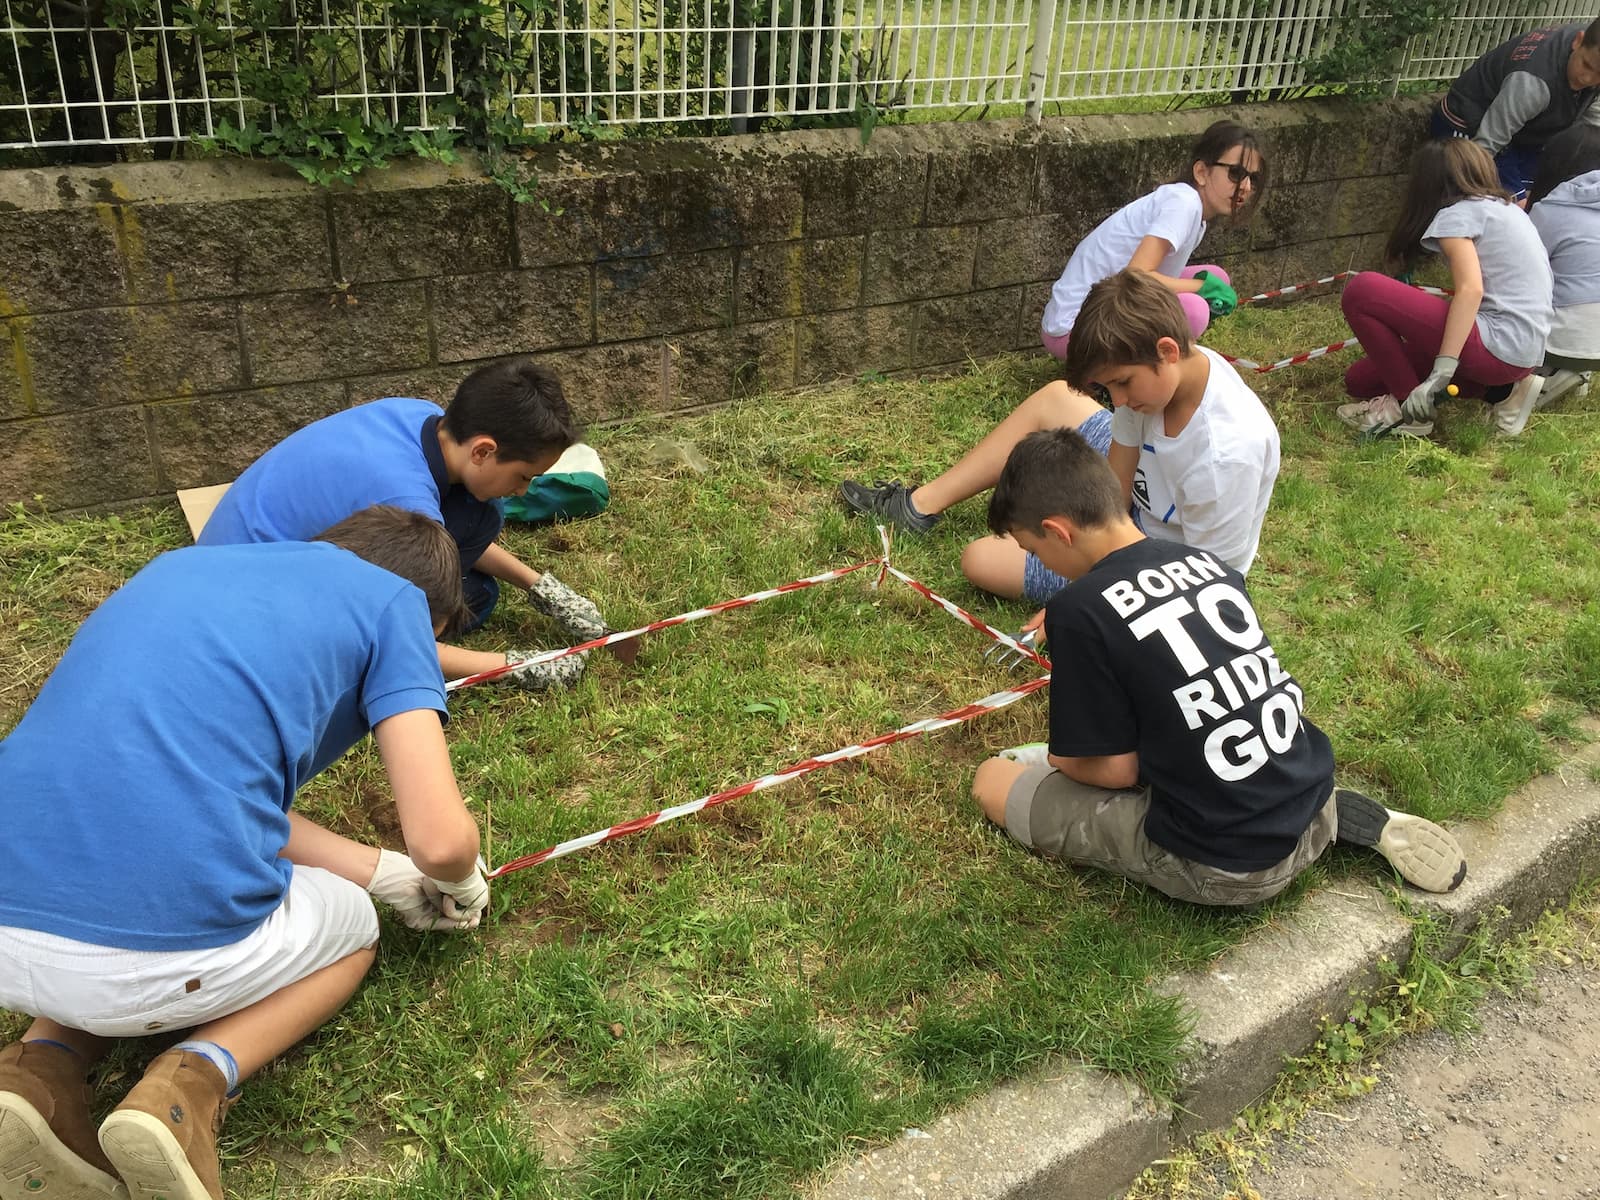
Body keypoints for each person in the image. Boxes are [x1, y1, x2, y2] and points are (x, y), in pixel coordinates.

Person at [0, 505, 491, 1200]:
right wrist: (459, 877)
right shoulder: (398, 607)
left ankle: (37, 1067)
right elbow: (441, 839)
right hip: (154, 953)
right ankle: (188, 1089)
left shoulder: (186, 566)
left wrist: (385, 871)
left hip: (5, 911)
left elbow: (234, 801)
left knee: (107, 891)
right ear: (431, 619)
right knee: (351, 926)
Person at [970, 428, 1468, 906]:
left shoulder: (1076, 610)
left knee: (992, 780)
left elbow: (1114, 772)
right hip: (1308, 795)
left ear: (1058, 531)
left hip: (1226, 866)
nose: (1045, 566)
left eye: (1035, 551)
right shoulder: (1205, 562)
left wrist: (1059, 759)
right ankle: (1324, 816)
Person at [845, 270, 1279, 630]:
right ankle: (917, 507)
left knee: (980, 559)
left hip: (1168, 564)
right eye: (1108, 388)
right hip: (1135, 518)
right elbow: (1114, 496)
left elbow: (1207, 589)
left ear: (1166, 351)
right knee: (1056, 398)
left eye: (1122, 383)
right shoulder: (1157, 383)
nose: (1118, 400)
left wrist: (1082, 600)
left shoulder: (1225, 455)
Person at [200, 356, 622, 691]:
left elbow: (431, 523)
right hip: (245, 621)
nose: (524, 492)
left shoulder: (423, 418)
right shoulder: (401, 495)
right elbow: (400, 643)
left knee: (475, 563)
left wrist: (544, 590)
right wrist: (518, 666)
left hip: (241, 562)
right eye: (523, 476)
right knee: (458, 602)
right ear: (483, 451)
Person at [1336, 139, 1554, 439]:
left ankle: (1406, 412)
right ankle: (1502, 392)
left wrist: (1442, 370)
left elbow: (1470, 289)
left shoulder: (1459, 213)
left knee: (1363, 290)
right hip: (1524, 353)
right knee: (1360, 380)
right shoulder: (1509, 210)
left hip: (1496, 344)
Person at [1036, 119, 1266, 359]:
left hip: (1103, 308)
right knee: (1194, 311)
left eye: (1253, 178)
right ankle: (1116, 377)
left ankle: (1132, 364)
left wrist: (1204, 287)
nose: (1246, 187)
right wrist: (1200, 289)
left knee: (1217, 278)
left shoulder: (1192, 208)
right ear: (1201, 172)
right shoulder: (1184, 204)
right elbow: (1136, 275)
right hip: (1075, 330)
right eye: (1236, 173)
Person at [1433, 18, 1600, 202]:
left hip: (1524, 134)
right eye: (1586, 65)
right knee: (1516, 206)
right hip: (1471, 123)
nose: (1587, 79)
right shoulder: (1533, 83)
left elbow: (1589, 134)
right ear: (1578, 41)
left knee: (1544, 195)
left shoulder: (1592, 47)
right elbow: (1484, 147)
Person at [1527, 122, 1600, 409]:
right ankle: (1577, 371)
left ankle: (1548, 372)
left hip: (1561, 338)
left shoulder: (1552, 210)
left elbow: (1520, 274)